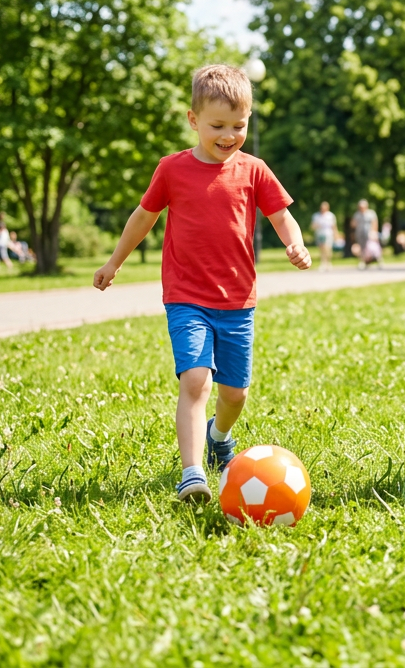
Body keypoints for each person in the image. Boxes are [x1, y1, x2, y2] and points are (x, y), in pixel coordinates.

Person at [93, 64, 312, 503]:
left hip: (237, 300)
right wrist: (115, 261)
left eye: (239, 125)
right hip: (186, 297)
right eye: (217, 125)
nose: (229, 135)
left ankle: (219, 436)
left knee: (235, 393)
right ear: (193, 120)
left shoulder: (254, 170)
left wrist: (296, 243)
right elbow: (144, 217)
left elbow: (281, 214)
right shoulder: (172, 169)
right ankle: (192, 473)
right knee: (196, 380)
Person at [351, 199, 382, 269]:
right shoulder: (357, 214)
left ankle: (379, 261)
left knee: (373, 248)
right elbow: (353, 224)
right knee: (362, 248)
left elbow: (375, 223)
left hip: (370, 233)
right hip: (360, 233)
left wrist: (374, 232)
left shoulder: (371, 213)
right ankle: (363, 262)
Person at [310, 201, 337, 270]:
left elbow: (333, 226)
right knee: (322, 249)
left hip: (328, 234)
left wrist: (335, 234)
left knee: (328, 248)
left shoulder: (330, 216)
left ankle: (328, 263)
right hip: (320, 234)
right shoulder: (316, 216)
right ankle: (323, 263)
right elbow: (312, 226)